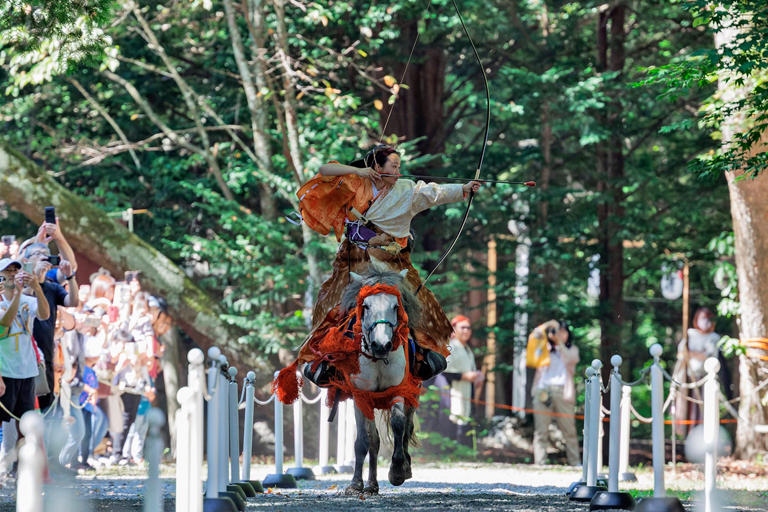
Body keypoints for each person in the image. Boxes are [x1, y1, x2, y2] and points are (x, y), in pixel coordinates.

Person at [292, 144, 482, 387]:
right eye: (394, 167)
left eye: (399, 167)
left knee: (420, 303)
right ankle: (323, 362)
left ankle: (424, 356)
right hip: (355, 259)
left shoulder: (405, 190)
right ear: (377, 168)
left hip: (393, 260)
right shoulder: (355, 183)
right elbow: (324, 170)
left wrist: (463, 189)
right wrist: (359, 172)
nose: (399, 172)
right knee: (331, 302)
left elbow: (432, 193)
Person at [24, 224, 80, 411]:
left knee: (48, 411)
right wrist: (36, 242)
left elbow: (73, 301)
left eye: (45, 253)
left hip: (46, 356)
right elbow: (22, 292)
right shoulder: (18, 285)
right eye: (37, 254)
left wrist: (70, 278)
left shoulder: (52, 285)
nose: (42, 257)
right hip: (22, 358)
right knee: (20, 412)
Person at [0, 258, 50, 433]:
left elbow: (45, 314)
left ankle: (22, 461)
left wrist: (36, 287)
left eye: (16, 270)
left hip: (27, 372)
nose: (13, 274)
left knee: (26, 428)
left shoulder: (28, 300)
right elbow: (5, 323)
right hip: (5, 372)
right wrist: (18, 294)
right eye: (8, 271)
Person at [673, 307, 731, 437]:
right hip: (688, 378)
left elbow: (708, 355)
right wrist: (688, 354)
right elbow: (681, 353)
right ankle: (686, 437)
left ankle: (704, 436)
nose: (705, 322)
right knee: (687, 408)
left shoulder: (714, 338)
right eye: (702, 318)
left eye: (707, 319)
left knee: (703, 409)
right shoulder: (689, 335)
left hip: (705, 378)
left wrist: (692, 354)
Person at [531, 320, 580, 466]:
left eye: (562, 331)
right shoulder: (544, 348)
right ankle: (540, 462)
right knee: (541, 430)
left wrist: (560, 344)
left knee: (569, 429)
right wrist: (548, 325)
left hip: (562, 390)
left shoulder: (572, 349)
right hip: (543, 390)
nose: (559, 334)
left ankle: (575, 462)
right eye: (556, 331)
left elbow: (571, 361)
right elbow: (535, 334)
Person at [442, 315, 484, 445]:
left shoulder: (467, 349)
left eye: (468, 328)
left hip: (466, 391)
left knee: (465, 419)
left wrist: (477, 376)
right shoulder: (451, 347)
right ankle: (450, 449)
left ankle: (463, 450)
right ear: (454, 329)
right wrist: (463, 376)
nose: (466, 331)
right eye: (463, 327)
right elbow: (443, 371)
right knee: (453, 419)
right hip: (452, 391)